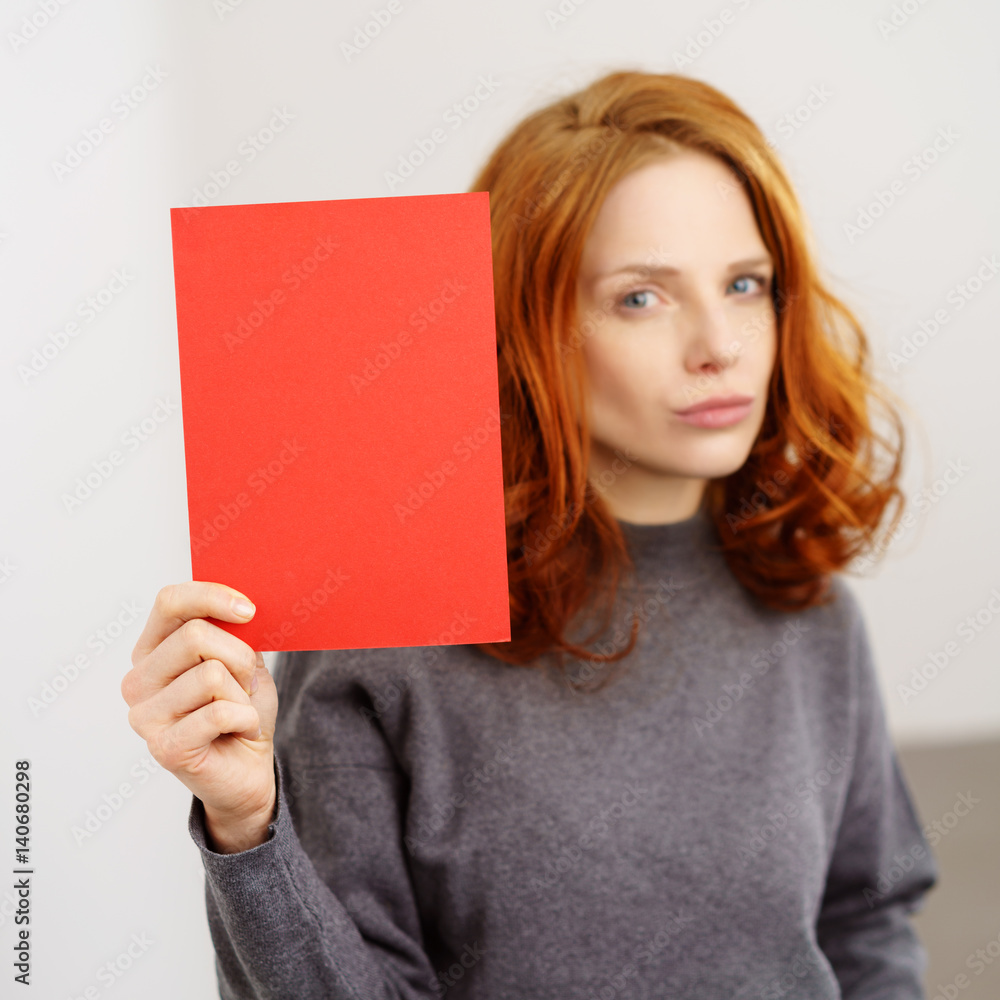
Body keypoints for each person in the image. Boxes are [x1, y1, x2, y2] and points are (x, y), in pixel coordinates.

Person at [122, 69, 939, 999]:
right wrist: (247, 827)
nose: (721, 342)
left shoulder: (805, 600)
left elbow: (868, 922)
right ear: (526, 329)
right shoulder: (388, 635)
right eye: (642, 296)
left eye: (746, 284)